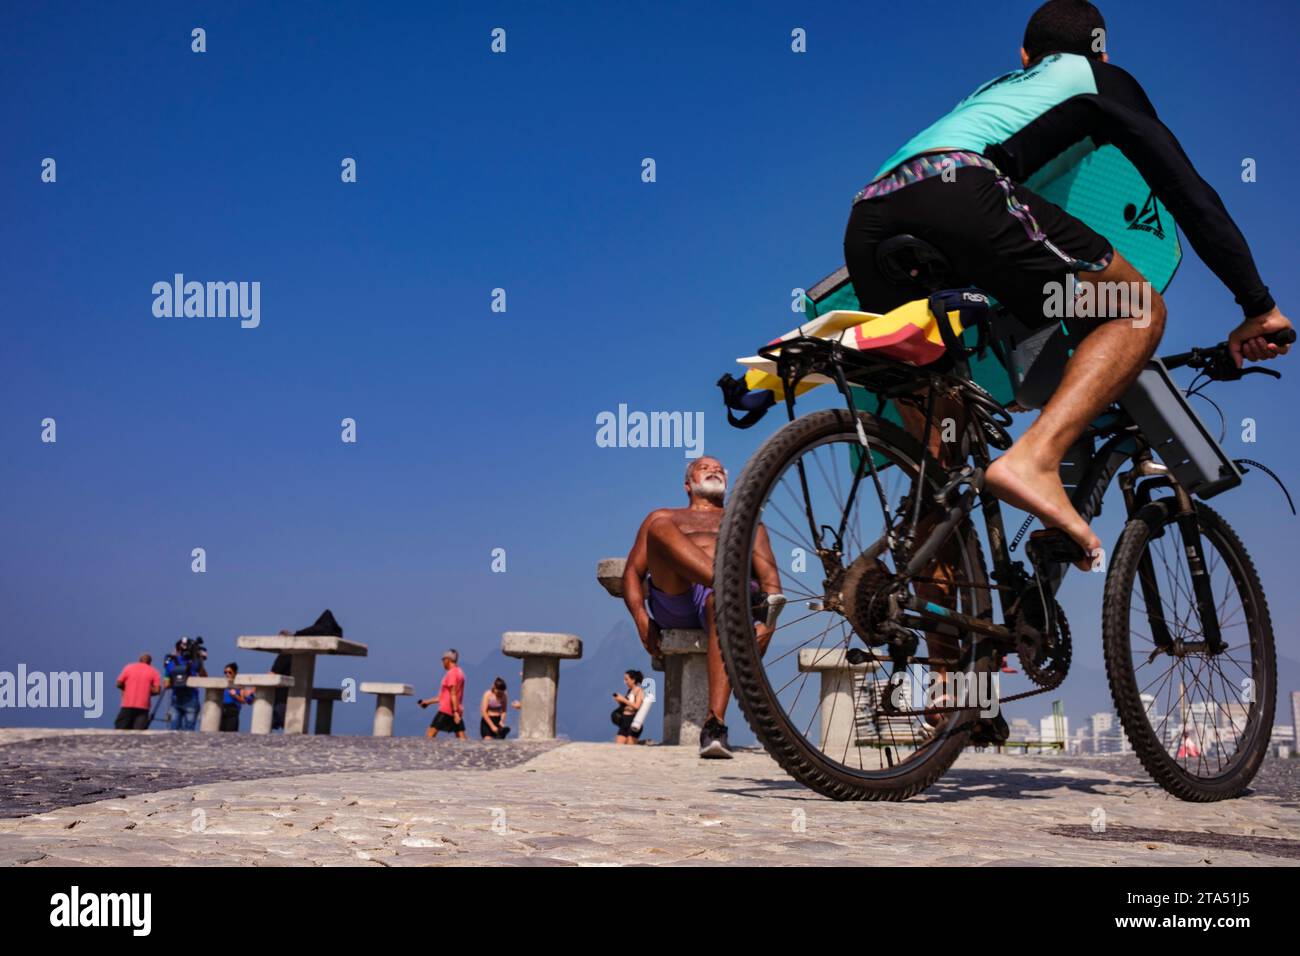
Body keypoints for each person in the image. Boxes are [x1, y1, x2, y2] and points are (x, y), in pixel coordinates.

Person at [843, 0, 1290, 571]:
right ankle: (1037, 459)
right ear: (1103, 51)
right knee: (1135, 309)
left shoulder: (993, 92)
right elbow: (1187, 193)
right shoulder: (1099, 78)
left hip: (869, 217)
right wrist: (1257, 305)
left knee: (940, 465)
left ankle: (937, 633)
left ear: (1024, 57)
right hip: (962, 193)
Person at [622, 457, 783, 758]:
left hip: (722, 604)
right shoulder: (666, 515)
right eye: (704, 467)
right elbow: (632, 572)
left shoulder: (746, 524)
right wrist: (641, 617)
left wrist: (769, 624)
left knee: (717, 600)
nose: (715, 470)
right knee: (660, 528)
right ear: (687, 484)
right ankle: (728, 586)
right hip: (678, 596)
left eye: (720, 468)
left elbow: (771, 578)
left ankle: (715, 725)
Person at [419, 649, 467, 739]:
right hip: (456, 709)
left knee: (430, 735)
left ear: (447, 660)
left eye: (443, 660)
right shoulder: (460, 672)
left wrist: (455, 712)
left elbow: (453, 694)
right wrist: (427, 702)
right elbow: (444, 696)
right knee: (462, 738)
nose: (442, 662)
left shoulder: (452, 674)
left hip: (447, 711)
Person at [163, 637, 207, 731]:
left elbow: (166, 684)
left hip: (176, 698)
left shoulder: (171, 663)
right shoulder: (195, 662)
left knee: (173, 730)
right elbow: (204, 676)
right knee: (189, 732)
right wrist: (199, 659)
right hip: (191, 698)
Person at [113, 653, 161, 730]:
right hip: (143, 706)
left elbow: (118, 684)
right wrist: (147, 692)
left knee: (121, 729)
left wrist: (127, 689)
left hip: (128, 705)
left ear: (139, 660)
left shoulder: (128, 668)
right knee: (139, 733)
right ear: (150, 662)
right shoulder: (154, 672)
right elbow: (157, 690)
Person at [612, 670, 646, 745]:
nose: (625, 682)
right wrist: (619, 701)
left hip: (633, 721)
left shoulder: (639, 690)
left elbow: (637, 706)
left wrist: (623, 699)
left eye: (626, 679)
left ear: (633, 680)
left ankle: (642, 743)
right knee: (618, 747)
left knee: (630, 748)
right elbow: (628, 705)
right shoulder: (629, 691)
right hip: (624, 721)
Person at [219, 662, 255, 732]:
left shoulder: (239, 686)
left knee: (230, 736)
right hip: (222, 711)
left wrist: (235, 695)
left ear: (235, 673)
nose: (227, 674)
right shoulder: (223, 685)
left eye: (229, 672)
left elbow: (244, 701)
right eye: (225, 672)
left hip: (232, 712)